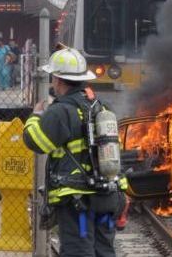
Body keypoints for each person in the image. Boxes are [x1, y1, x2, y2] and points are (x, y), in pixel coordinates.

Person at [24, 47, 121, 257]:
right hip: (106, 197)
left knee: (78, 251)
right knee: (104, 250)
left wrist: (35, 116)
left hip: (77, 203)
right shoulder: (102, 107)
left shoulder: (61, 111)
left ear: (58, 79)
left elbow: (36, 142)